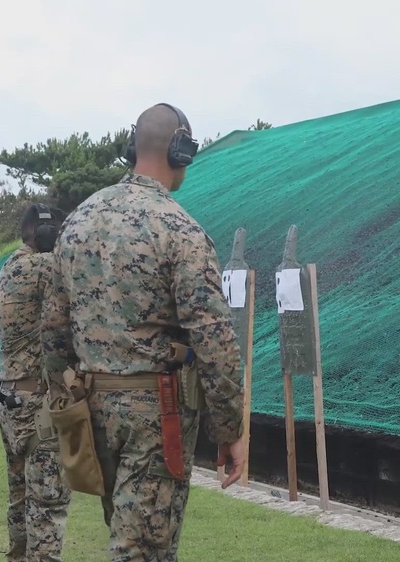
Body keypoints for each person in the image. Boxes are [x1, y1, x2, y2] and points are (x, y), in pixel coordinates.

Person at [42, 102, 247, 561]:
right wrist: (230, 427)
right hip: (157, 415)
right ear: (182, 151)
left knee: (123, 534)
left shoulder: (75, 224)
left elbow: (54, 331)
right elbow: (214, 338)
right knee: (143, 551)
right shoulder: (179, 229)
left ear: (134, 146)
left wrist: (66, 402)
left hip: (93, 408)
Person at [0, 203, 72, 562]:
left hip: (9, 398)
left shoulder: (10, 266)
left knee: (19, 498)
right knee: (47, 505)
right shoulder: (45, 266)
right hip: (37, 405)